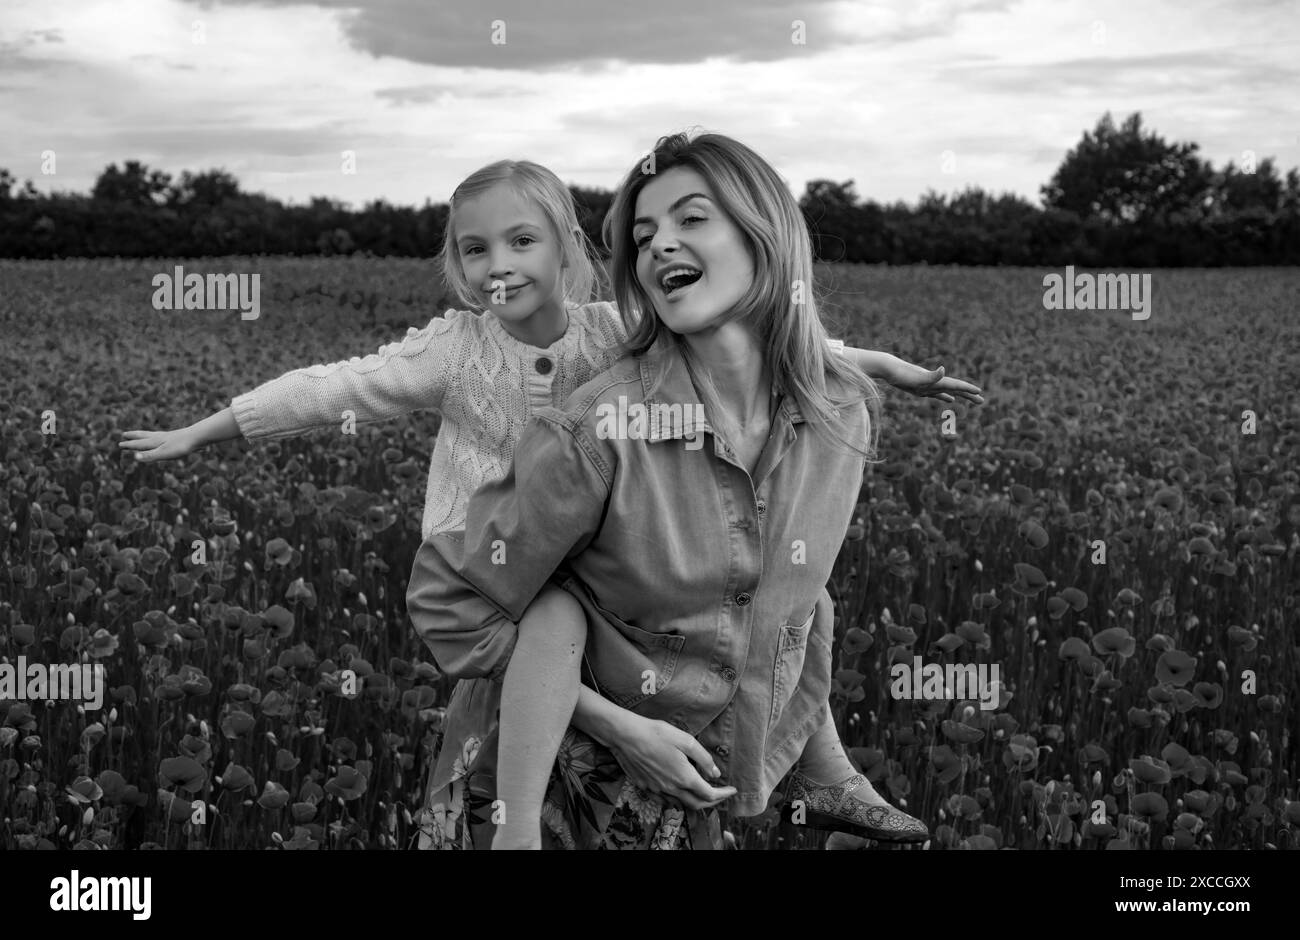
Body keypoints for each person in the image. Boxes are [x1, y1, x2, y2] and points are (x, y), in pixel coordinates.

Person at [119, 156, 979, 850]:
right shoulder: (459, 353)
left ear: (568, 246)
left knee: (787, 591)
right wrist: (202, 432)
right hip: (490, 560)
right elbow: (332, 388)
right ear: (455, 266)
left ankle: (827, 774)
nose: (498, 267)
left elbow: (774, 329)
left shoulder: (616, 331)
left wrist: (879, 365)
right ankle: (519, 826)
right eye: (474, 251)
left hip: (582, 545)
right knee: (554, 622)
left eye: (520, 241)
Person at [406, 131, 980, 849]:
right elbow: (449, 601)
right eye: (643, 235)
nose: (659, 246)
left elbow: (793, 606)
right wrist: (616, 724)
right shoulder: (602, 427)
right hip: (548, 787)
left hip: (696, 800)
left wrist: (791, 757)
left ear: (763, 234)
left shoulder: (842, 415)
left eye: (691, 219)